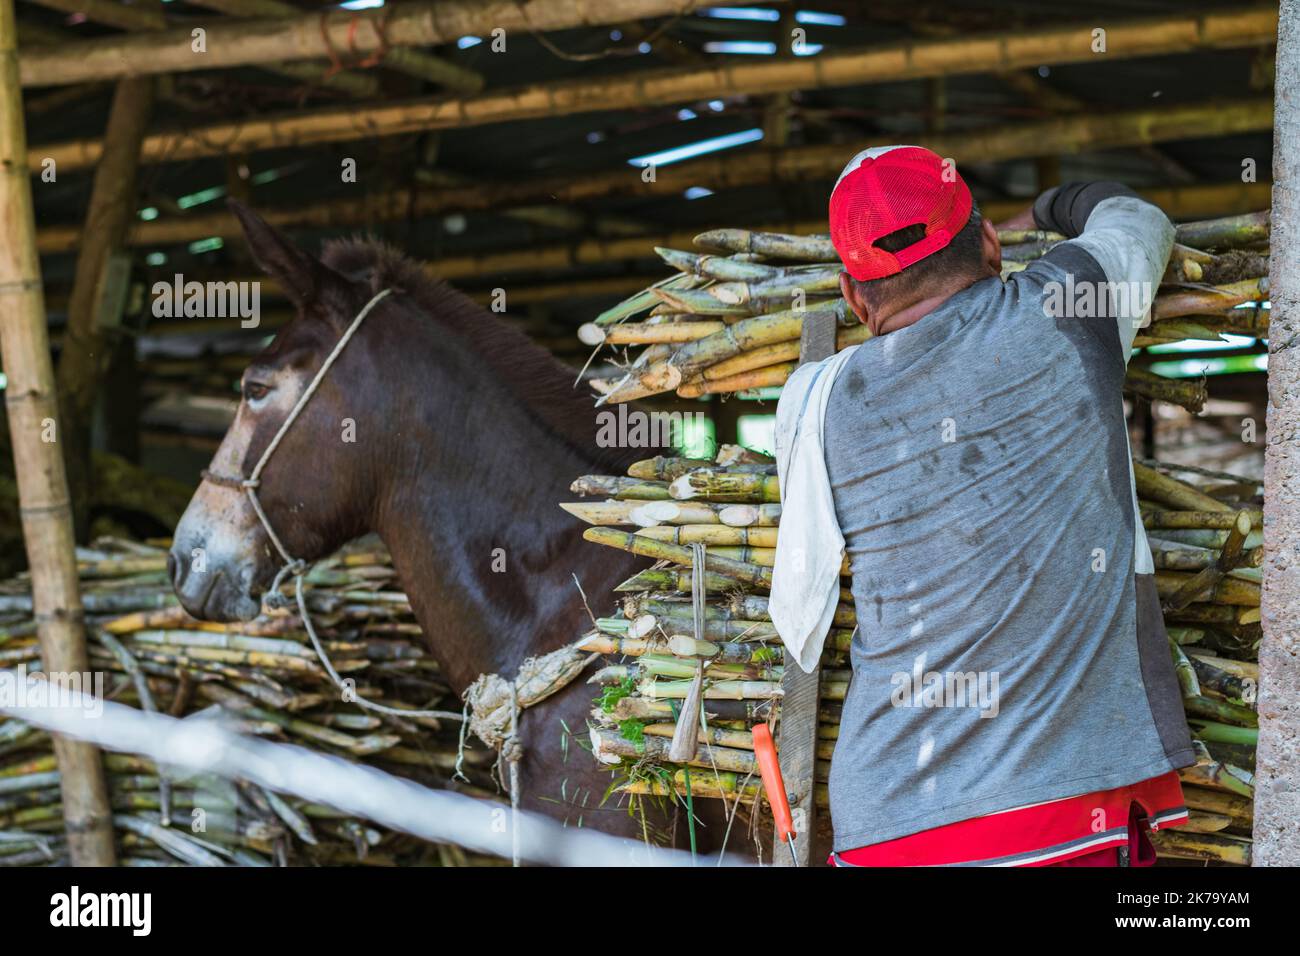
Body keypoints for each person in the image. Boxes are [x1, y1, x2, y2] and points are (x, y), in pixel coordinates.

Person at [770, 145, 1195, 866]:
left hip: (884, 828)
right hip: (1060, 817)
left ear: (853, 296)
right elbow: (1134, 216)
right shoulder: (1069, 303)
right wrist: (1053, 206)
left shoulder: (811, 400)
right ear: (992, 243)